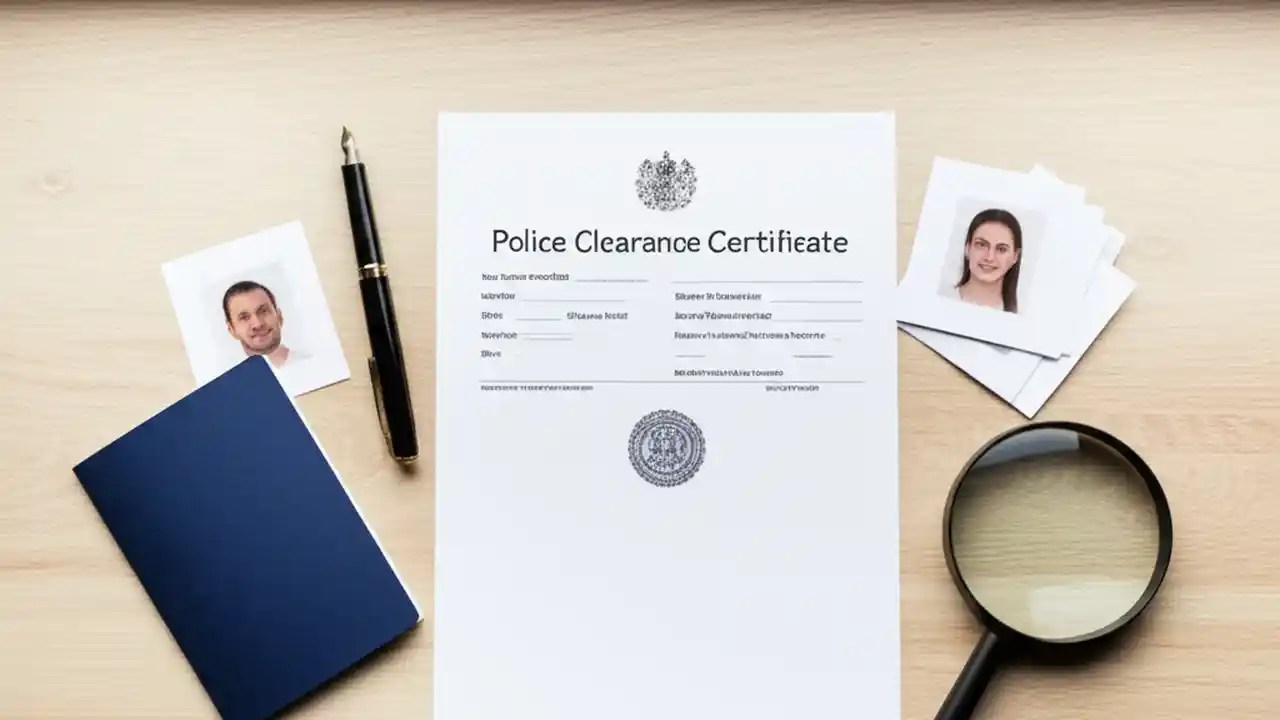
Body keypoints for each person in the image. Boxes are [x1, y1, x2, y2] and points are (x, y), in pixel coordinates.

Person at [950, 208, 1022, 313]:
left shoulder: (1024, 319)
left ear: (1015, 256)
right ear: (967, 248)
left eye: (1001, 249)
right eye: (981, 245)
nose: (989, 257)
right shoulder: (937, 298)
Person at [221, 280, 296, 367]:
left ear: (279, 316)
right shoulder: (231, 379)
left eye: (263, 311)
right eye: (244, 317)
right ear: (232, 330)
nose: (258, 324)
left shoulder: (312, 362)